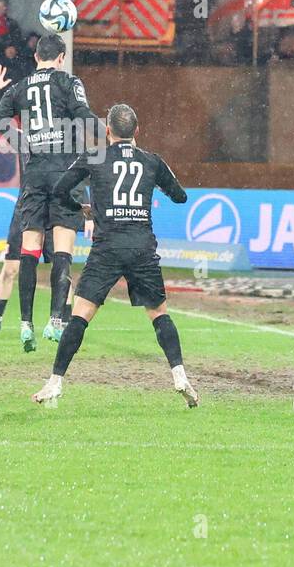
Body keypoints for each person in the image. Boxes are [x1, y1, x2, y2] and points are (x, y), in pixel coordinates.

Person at [31, 103, 197, 407]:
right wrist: (153, 184)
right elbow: (180, 196)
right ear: (137, 130)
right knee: (159, 314)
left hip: (107, 247)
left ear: (107, 131)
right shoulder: (152, 161)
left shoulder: (95, 157)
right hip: (141, 247)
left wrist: (82, 209)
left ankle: (55, 383)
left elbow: (60, 190)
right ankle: (180, 375)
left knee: (79, 316)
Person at [0, 34, 101, 350]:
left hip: (34, 176)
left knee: (28, 250)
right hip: (65, 175)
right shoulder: (69, 83)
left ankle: (25, 323)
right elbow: (84, 117)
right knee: (63, 251)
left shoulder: (18, 88)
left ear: (36, 58)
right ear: (60, 58)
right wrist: (102, 133)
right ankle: (56, 319)